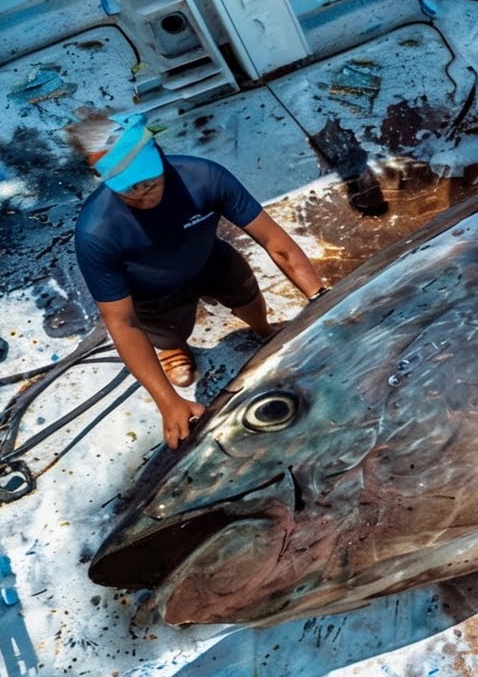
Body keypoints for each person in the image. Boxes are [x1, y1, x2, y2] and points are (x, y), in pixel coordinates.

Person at [66, 111, 326, 450]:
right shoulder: (96, 232)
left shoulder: (204, 177)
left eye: (150, 179)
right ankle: (174, 347)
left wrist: (320, 297)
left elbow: (277, 244)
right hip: (152, 293)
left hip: (209, 260)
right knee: (167, 334)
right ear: (99, 176)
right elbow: (122, 322)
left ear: (158, 152)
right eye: (129, 187)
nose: (144, 191)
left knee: (245, 289)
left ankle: (262, 328)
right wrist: (167, 401)